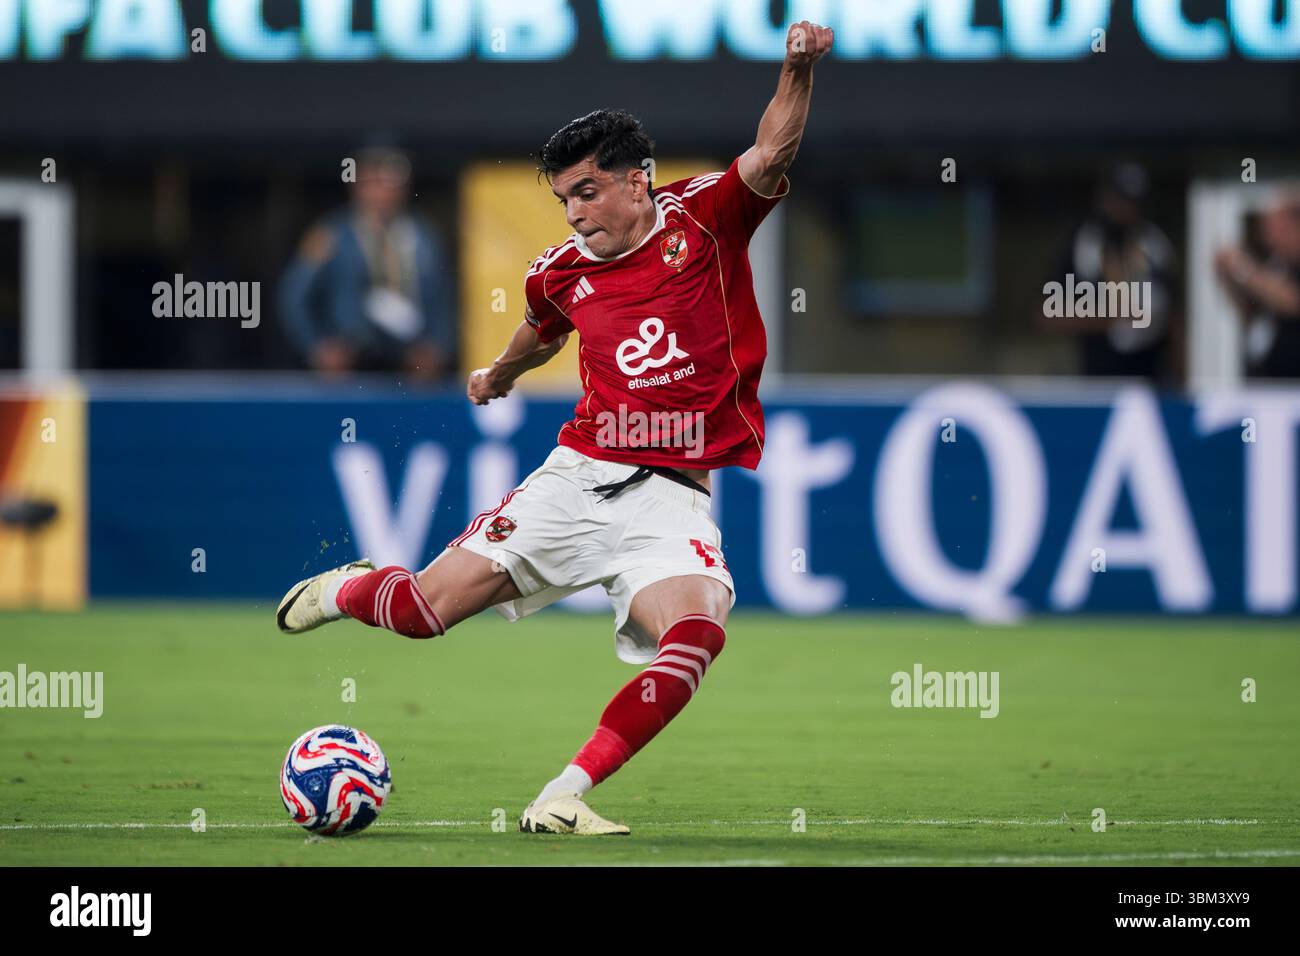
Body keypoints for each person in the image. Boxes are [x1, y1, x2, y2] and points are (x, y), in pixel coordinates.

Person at [275, 21, 834, 834]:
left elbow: (773, 150)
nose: (573, 214)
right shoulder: (560, 273)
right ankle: (344, 587)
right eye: (563, 199)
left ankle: (561, 795)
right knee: (421, 614)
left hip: (672, 502)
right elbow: (542, 329)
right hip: (576, 480)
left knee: (698, 633)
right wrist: (499, 373)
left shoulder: (707, 218)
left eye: (586, 193)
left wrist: (796, 70)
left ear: (637, 182)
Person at [278, 143, 454, 380]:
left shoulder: (424, 236)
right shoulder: (331, 234)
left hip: (410, 362)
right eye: (374, 180)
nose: (383, 190)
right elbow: (294, 296)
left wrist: (437, 347)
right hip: (350, 360)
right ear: (358, 185)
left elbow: (445, 298)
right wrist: (318, 347)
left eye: (392, 179)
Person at [1042, 164, 1180, 382]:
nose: (1127, 210)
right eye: (1122, 200)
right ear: (1106, 198)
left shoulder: (1154, 245)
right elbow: (1047, 314)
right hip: (1097, 379)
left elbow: (1173, 315)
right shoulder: (1082, 243)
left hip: (1150, 379)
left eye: (1135, 203)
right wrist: (1111, 317)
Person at [1215, 196, 1300, 379]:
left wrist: (1242, 269)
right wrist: (1227, 279)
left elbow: (1291, 302)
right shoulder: (1273, 263)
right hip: (1266, 380)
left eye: (1274, 223)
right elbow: (1250, 314)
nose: (1266, 229)